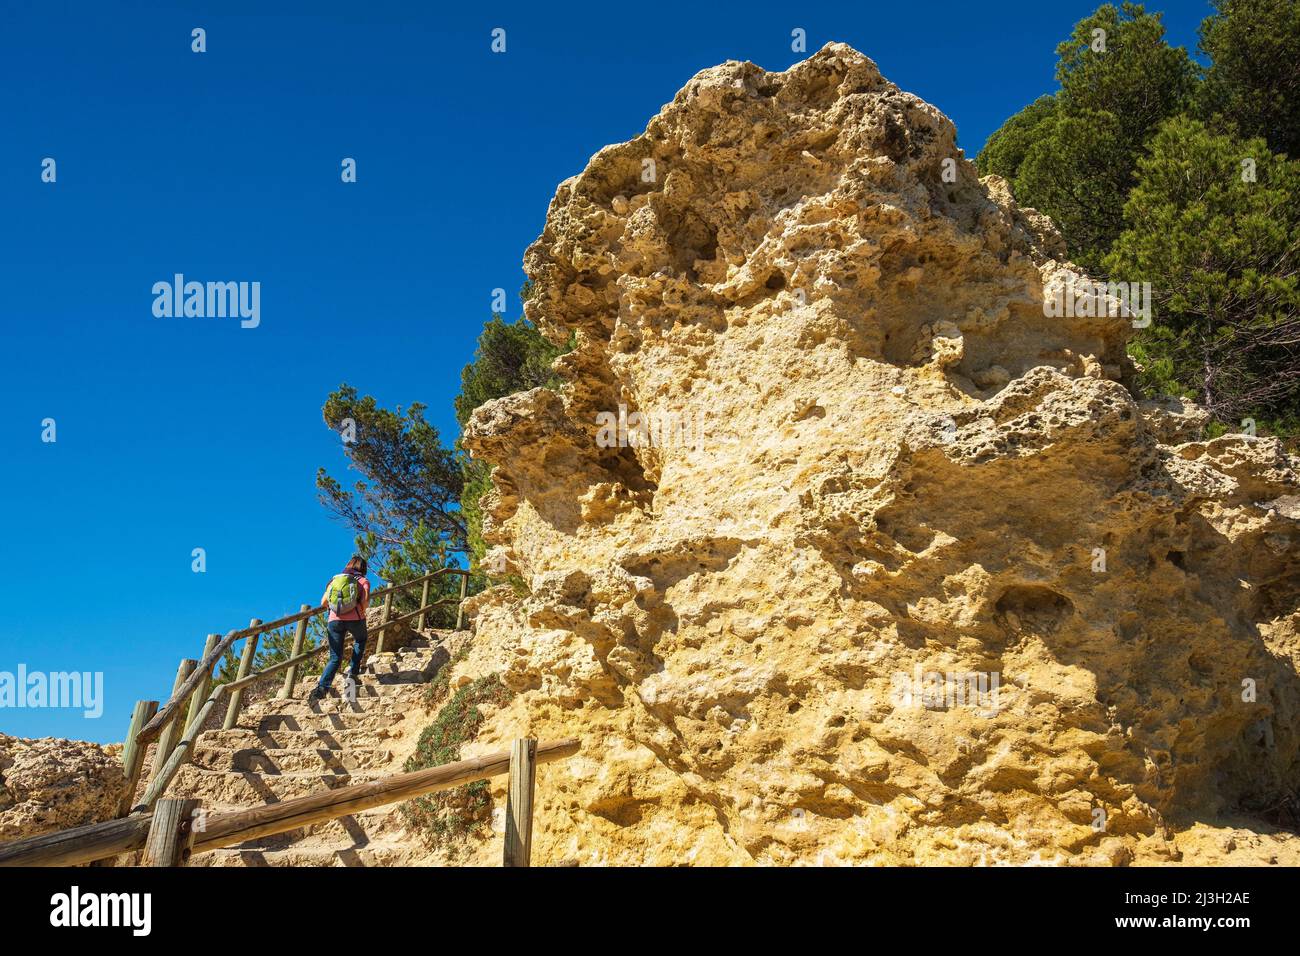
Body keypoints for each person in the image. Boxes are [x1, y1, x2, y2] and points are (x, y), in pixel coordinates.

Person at [310, 555, 371, 703]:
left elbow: (323, 602)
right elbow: (364, 604)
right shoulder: (363, 581)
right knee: (361, 639)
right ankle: (352, 672)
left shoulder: (334, 580)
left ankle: (321, 688)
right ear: (363, 568)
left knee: (335, 657)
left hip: (334, 620)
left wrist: (337, 610)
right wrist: (357, 611)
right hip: (355, 619)